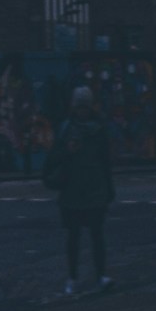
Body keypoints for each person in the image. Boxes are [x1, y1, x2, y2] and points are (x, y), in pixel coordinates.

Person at [43, 82, 115, 294]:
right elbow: (53, 160)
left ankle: (101, 275)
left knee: (96, 235)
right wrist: (67, 151)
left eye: (85, 106)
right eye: (79, 107)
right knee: (74, 237)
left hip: (94, 189)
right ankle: (73, 277)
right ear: (74, 108)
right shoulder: (66, 130)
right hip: (72, 191)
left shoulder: (99, 130)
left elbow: (105, 162)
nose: (82, 111)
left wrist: (108, 188)